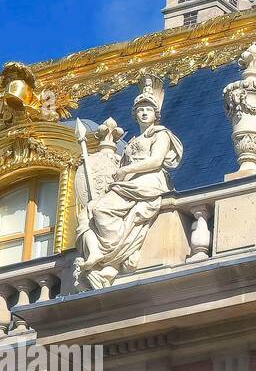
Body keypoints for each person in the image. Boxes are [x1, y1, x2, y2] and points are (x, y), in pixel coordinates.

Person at [76, 77, 183, 289]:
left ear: (156, 114)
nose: (144, 113)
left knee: (101, 210)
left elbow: (156, 161)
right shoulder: (132, 142)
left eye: (148, 109)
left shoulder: (160, 134)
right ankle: (98, 252)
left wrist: (126, 169)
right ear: (135, 114)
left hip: (149, 181)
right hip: (128, 185)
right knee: (88, 211)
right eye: (140, 109)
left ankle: (113, 250)